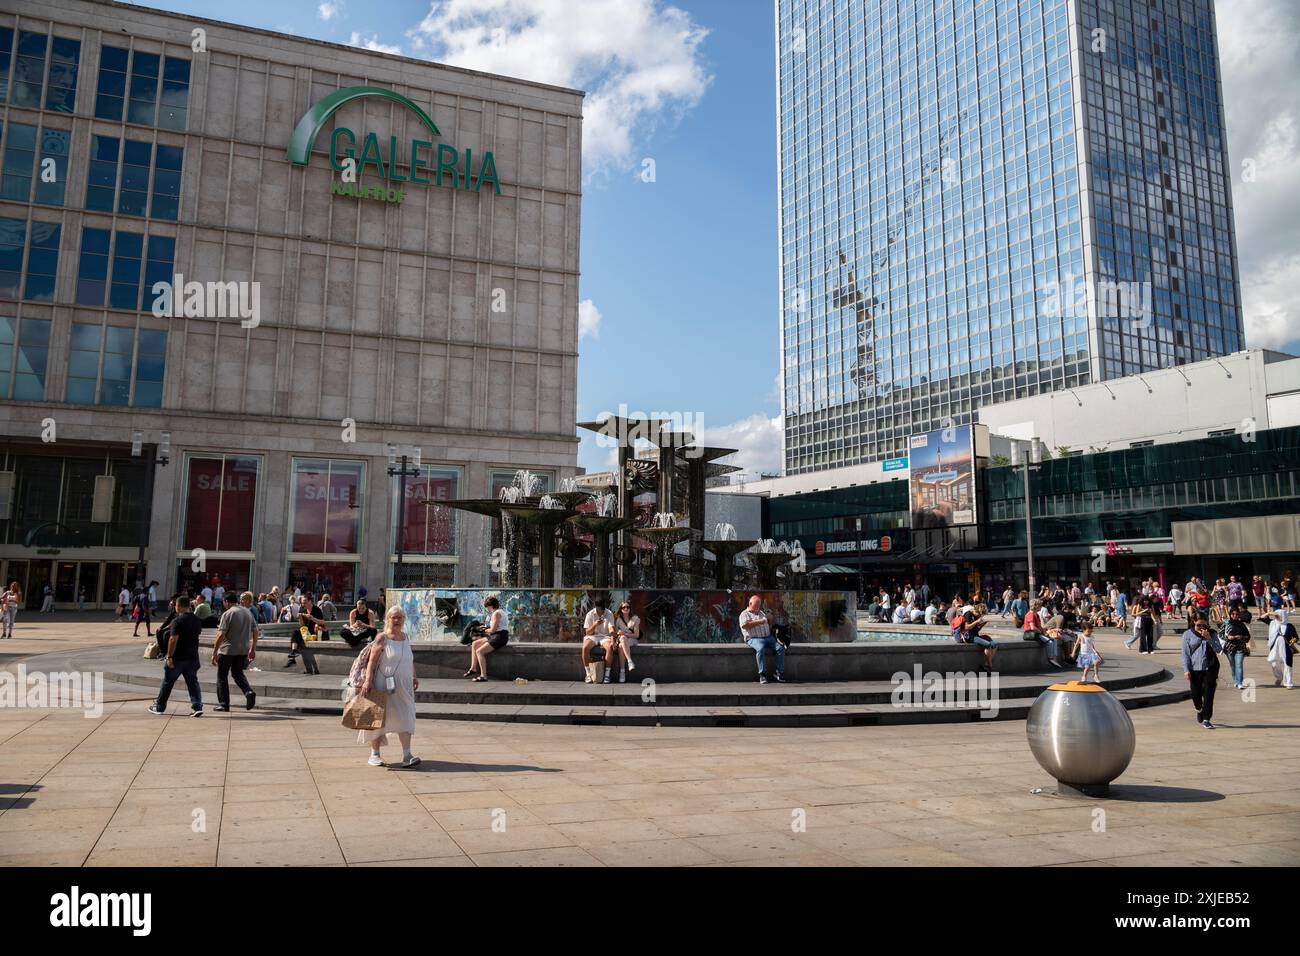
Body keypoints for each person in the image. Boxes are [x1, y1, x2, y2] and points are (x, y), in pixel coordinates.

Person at [356, 605, 420, 768]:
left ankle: (407, 755)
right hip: (382, 685)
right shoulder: (382, 637)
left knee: (406, 716)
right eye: (394, 617)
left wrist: (414, 675)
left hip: (404, 687)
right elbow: (372, 661)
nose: (397, 620)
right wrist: (368, 680)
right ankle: (374, 755)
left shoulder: (406, 637)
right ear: (388, 619)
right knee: (377, 719)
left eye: (400, 617)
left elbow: (409, 658)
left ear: (404, 620)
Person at [149, 596, 204, 716]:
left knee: (168, 682)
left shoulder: (177, 621)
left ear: (178, 606)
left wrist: (169, 656)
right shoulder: (196, 620)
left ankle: (159, 707)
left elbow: (173, 639)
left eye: (176, 605)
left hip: (178, 657)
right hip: (192, 657)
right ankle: (197, 706)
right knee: (192, 682)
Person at [211, 592, 258, 712]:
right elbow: (256, 630)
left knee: (222, 676)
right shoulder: (248, 612)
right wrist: (253, 649)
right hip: (243, 649)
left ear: (226, 601)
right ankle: (248, 691)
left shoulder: (228, 613)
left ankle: (224, 703)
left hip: (228, 650)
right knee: (237, 673)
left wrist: (215, 651)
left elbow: (221, 634)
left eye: (223, 602)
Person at [1182, 614, 1222, 730]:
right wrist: (1186, 670)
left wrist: (1209, 638)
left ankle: (1206, 719)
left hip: (1210, 668)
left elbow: (1219, 649)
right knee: (1196, 694)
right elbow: (1185, 654)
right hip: (1194, 669)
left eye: (1203, 625)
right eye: (1198, 625)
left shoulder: (1212, 633)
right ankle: (1199, 709)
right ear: (1193, 623)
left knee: (1209, 694)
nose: (1201, 627)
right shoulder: (1187, 635)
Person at [740, 594, 784, 684]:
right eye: (756, 605)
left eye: (759, 605)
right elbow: (745, 626)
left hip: (767, 637)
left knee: (780, 647)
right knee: (760, 649)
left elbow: (768, 625)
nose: (758, 608)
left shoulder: (761, 612)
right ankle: (762, 675)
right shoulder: (744, 614)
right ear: (750, 603)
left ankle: (779, 672)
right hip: (754, 638)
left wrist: (770, 620)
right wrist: (759, 621)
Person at [463, 596, 509, 682]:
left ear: (491, 606)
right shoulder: (500, 612)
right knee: (475, 644)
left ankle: (483, 676)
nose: (487, 609)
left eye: (487, 607)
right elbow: (494, 629)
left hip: (499, 637)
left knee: (479, 651)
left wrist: (483, 630)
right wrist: (484, 628)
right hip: (496, 636)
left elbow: (493, 630)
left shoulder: (496, 613)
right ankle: (473, 668)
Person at [580, 596, 616, 683]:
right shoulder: (590, 614)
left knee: (610, 647)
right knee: (585, 647)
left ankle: (607, 675)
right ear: (596, 607)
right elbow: (587, 632)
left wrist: (613, 638)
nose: (602, 611)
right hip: (593, 636)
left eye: (603, 609)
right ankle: (588, 674)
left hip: (605, 636)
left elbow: (611, 628)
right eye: (600, 609)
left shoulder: (609, 613)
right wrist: (595, 624)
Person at [284, 595, 321, 674]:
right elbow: (302, 626)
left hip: (314, 633)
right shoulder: (302, 609)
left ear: (310, 601)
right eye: (302, 603)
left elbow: (323, 622)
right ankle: (293, 653)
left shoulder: (317, 609)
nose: (303, 605)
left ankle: (293, 659)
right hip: (306, 632)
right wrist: (300, 618)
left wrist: (312, 618)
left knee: (298, 634)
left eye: (305, 603)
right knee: (295, 632)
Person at [1023, 599, 1062, 668]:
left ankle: (1055, 658)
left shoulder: (1036, 615)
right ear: (1035, 606)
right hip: (1032, 633)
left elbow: (1039, 626)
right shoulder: (1030, 614)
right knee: (1049, 642)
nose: (1041, 607)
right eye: (1040, 605)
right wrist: (1042, 632)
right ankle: (1050, 659)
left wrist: (1046, 631)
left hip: (1037, 633)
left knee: (1055, 640)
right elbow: (1033, 628)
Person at [1221, 605, 1252, 690]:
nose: (1235, 615)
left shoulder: (1241, 624)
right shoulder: (1226, 623)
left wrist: (1240, 637)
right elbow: (1220, 634)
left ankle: (1240, 682)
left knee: (1239, 665)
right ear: (1230, 614)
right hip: (1229, 648)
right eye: (1233, 614)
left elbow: (1248, 636)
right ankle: (1235, 680)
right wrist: (1227, 637)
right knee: (1232, 665)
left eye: (1237, 614)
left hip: (1240, 648)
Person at [1267, 608, 1296, 689]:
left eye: (1278, 616)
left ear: (1283, 616)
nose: (1276, 617)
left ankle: (1288, 682)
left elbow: (1296, 637)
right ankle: (1279, 677)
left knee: (1288, 665)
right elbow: (1261, 618)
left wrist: (1294, 640)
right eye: (1275, 616)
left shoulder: (1289, 626)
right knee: (1274, 663)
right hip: (1275, 647)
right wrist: (1270, 613)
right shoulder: (1273, 623)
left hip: (1286, 647)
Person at [612, 600, 640, 682]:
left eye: (628, 607)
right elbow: (616, 634)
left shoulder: (635, 619)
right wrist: (619, 633)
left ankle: (622, 672)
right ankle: (629, 662)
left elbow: (636, 635)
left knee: (623, 639)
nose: (626, 608)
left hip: (632, 640)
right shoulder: (618, 620)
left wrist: (625, 634)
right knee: (621, 645)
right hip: (623, 640)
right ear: (621, 609)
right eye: (624, 607)